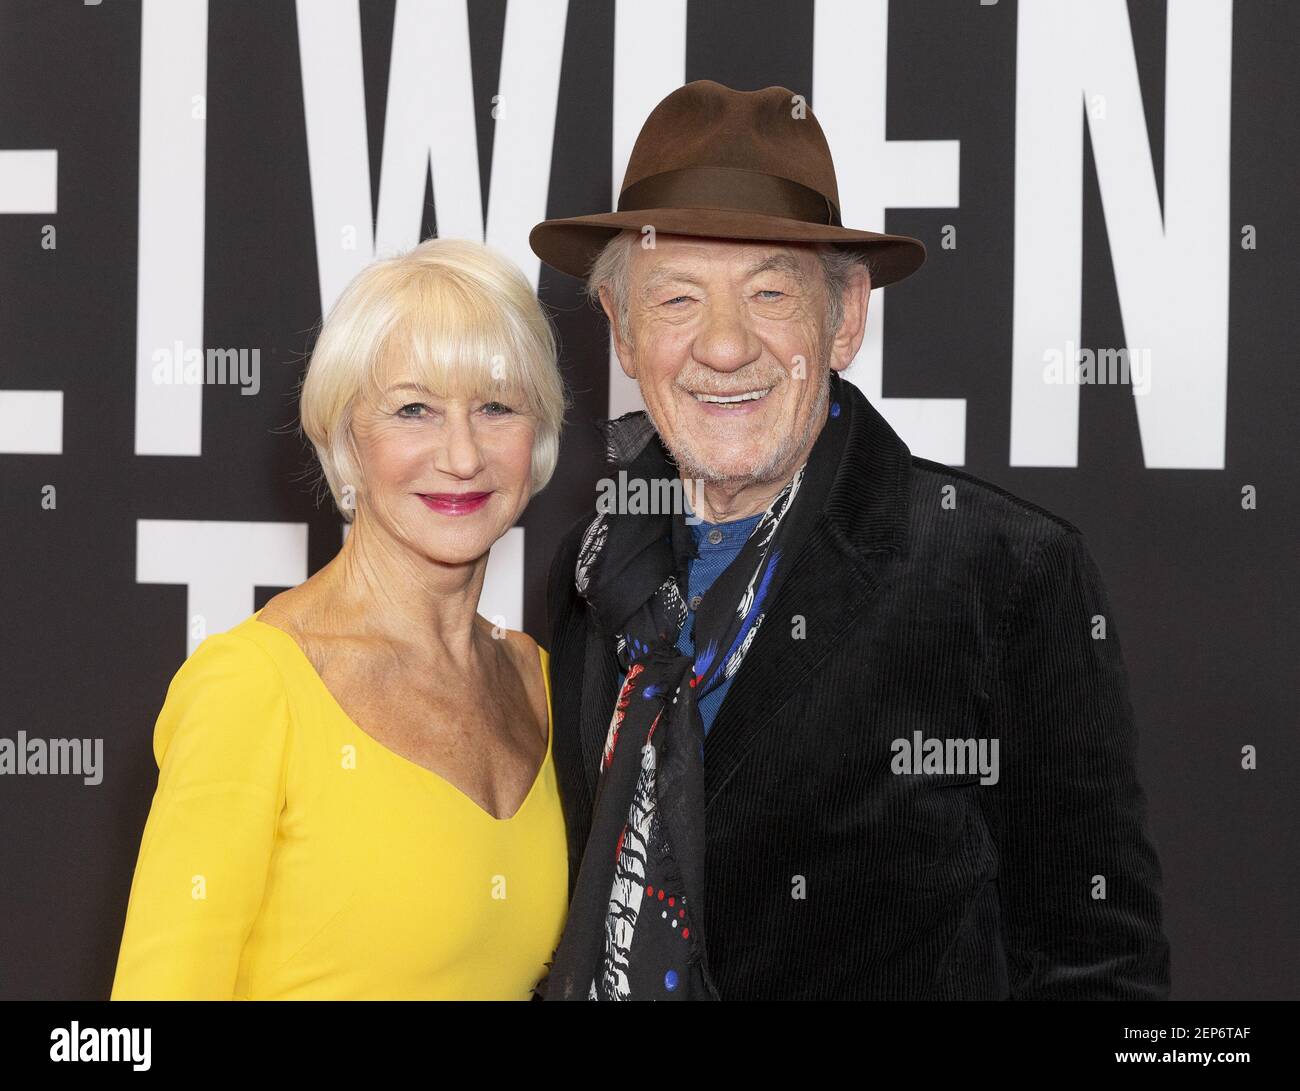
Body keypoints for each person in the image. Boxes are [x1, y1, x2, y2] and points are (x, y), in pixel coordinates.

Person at [528, 80, 1171, 999]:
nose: (722, 345)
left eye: (769, 292)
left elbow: (1101, 969)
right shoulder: (592, 575)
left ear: (847, 318)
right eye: (677, 299)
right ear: (623, 333)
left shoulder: (1005, 575)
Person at [111, 237, 569, 999]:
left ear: (539, 435)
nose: (461, 454)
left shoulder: (542, 681)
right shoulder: (256, 686)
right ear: (346, 437)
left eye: (495, 405)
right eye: (414, 409)